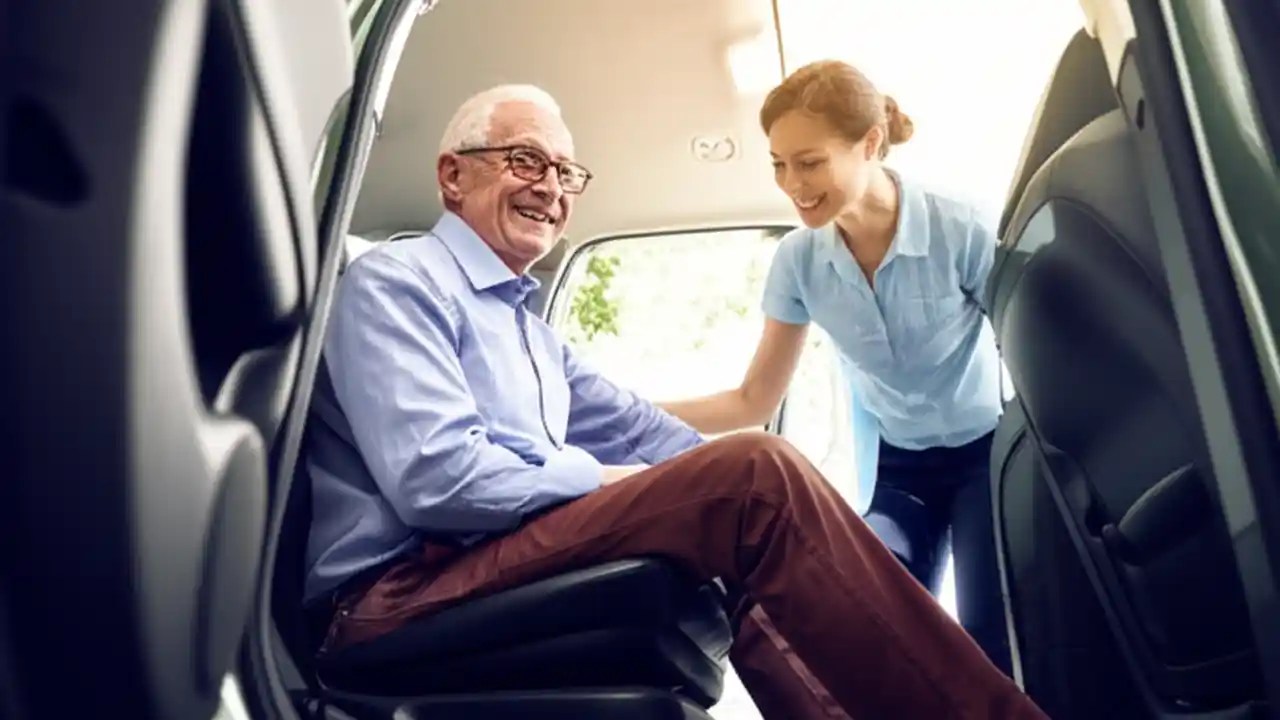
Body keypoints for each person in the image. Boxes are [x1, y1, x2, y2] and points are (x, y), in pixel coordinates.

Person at [302, 83, 1045, 719]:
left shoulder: (525, 331)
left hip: (478, 559)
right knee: (757, 473)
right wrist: (631, 481)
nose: (551, 188)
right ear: (452, 176)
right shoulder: (399, 284)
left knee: (750, 490)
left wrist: (763, 505)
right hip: (395, 592)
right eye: (526, 160)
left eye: (566, 172)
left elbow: (642, 428)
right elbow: (442, 482)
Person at [659, 60, 1013, 675]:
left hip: (987, 455)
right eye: (777, 164)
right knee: (880, 627)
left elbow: (1029, 358)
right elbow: (753, 402)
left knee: (987, 635)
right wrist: (622, 412)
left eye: (810, 161)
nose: (791, 184)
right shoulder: (799, 262)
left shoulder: (962, 226)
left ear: (870, 144)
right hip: (900, 466)